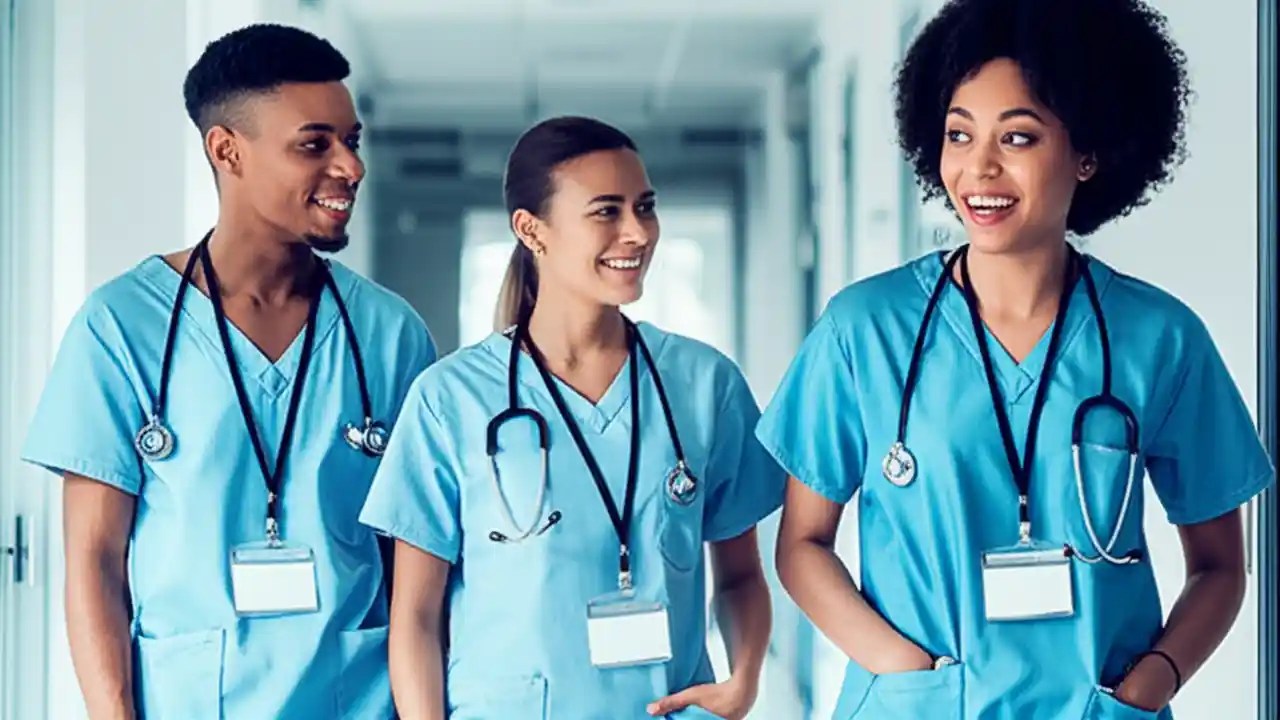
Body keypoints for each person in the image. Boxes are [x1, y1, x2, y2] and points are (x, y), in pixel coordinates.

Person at [757, 1, 1275, 718]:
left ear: (1089, 151)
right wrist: (906, 671)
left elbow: (1220, 566)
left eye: (1019, 137)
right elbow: (803, 545)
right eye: (959, 134)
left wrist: (1152, 680)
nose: (979, 169)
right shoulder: (864, 330)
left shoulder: (1159, 338)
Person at [20, 23, 436, 719]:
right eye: (315, 144)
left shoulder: (389, 335)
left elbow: (418, 573)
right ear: (226, 150)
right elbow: (94, 561)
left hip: (356, 702)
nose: (351, 167)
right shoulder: (123, 326)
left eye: (351, 141)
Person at [358, 116, 784, 720]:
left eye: (645, 207)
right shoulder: (450, 400)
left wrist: (743, 681)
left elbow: (740, 576)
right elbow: (416, 619)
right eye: (606, 211)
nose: (637, 232)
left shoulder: (702, 384)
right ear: (532, 231)